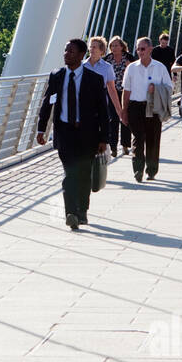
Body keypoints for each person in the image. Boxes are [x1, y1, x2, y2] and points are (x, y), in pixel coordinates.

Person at [36, 39, 110, 230]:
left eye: (70, 51)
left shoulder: (94, 79)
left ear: (80, 55)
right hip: (65, 132)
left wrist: (104, 138)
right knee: (70, 173)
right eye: (65, 50)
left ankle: (82, 210)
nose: (66, 54)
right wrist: (41, 128)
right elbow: (47, 103)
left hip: (87, 134)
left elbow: (103, 111)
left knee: (84, 174)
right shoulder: (57, 76)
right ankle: (70, 212)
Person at [121, 36, 173, 182]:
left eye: (143, 48)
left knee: (153, 139)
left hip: (153, 106)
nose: (140, 51)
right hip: (135, 106)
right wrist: (124, 111)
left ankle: (151, 170)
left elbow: (169, 87)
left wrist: (156, 88)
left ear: (150, 49)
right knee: (138, 138)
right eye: (138, 48)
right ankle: (138, 170)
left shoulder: (160, 67)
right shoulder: (131, 68)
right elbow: (126, 91)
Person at [86, 36, 126, 157]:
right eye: (90, 47)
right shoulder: (81, 66)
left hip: (100, 107)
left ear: (102, 51)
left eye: (94, 47)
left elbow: (112, 90)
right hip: (84, 106)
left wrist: (120, 112)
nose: (91, 49)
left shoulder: (107, 67)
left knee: (99, 135)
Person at [107, 36, 135, 156]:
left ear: (122, 46)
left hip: (126, 91)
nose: (114, 48)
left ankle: (125, 145)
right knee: (113, 119)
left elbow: (135, 72)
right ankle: (113, 147)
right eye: (112, 46)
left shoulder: (129, 57)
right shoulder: (107, 59)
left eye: (116, 45)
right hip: (112, 92)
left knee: (125, 117)